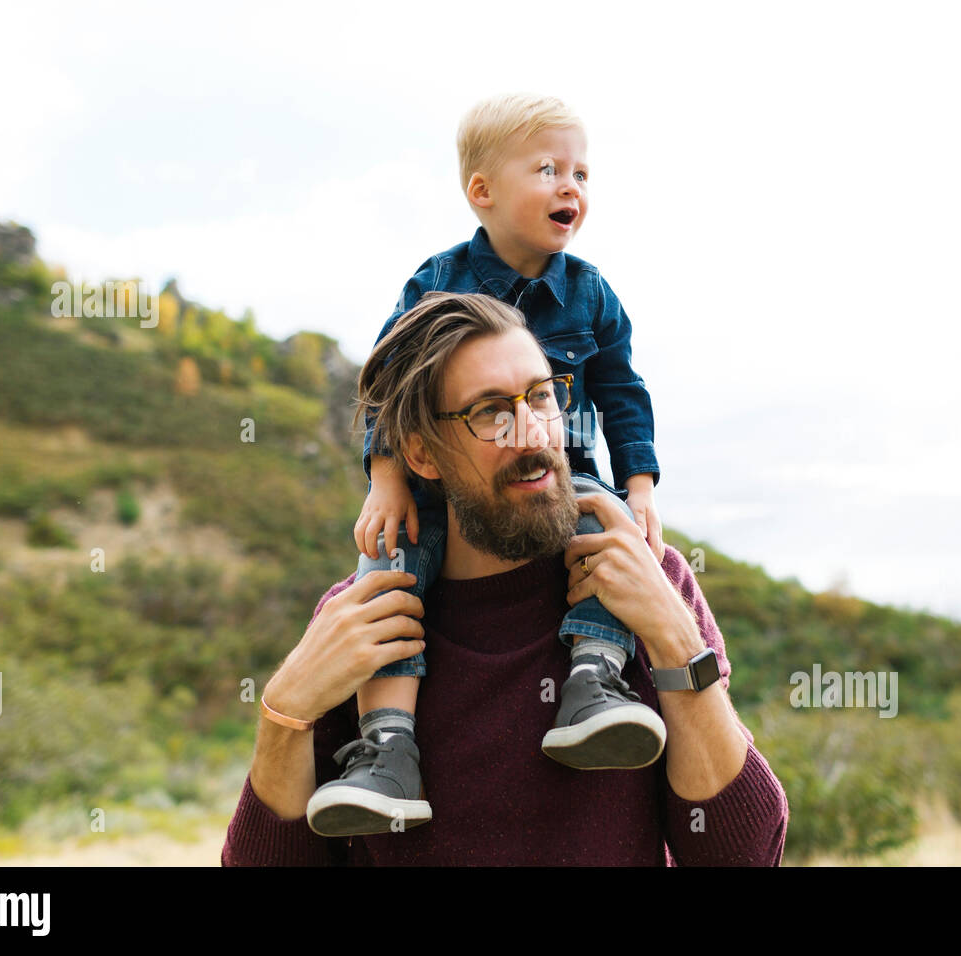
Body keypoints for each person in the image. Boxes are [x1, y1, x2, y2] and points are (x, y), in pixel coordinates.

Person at [222, 292, 788, 865]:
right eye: (490, 411)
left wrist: (674, 636)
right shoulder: (365, 614)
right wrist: (285, 707)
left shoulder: (645, 577)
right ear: (421, 453)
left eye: (541, 397)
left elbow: (742, 855)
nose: (533, 433)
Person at [330, 93, 667, 833]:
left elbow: (621, 389)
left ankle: (594, 681)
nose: (571, 186)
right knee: (389, 567)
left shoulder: (591, 293)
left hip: (564, 477)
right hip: (453, 483)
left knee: (608, 535)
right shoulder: (435, 283)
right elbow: (390, 382)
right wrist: (387, 479)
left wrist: (637, 484)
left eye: (582, 172)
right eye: (547, 168)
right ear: (481, 191)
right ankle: (388, 748)